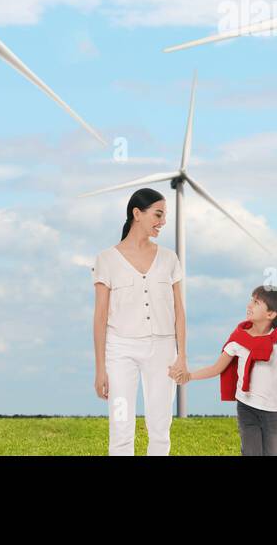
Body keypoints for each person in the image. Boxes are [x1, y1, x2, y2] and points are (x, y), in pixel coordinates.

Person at [181, 285, 277, 455]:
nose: (249, 306)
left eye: (256, 302)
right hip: (246, 407)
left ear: (271, 314)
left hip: (272, 411)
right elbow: (216, 368)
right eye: (251, 300)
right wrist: (189, 375)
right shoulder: (238, 339)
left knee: (270, 452)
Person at [92, 187, 188, 455]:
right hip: (120, 350)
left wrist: (181, 356)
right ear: (137, 213)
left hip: (163, 349)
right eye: (158, 214)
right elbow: (100, 317)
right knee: (121, 427)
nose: (163, 221)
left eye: (165, 215)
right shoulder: (106, 259)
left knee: (160, 427)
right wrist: (100, 368)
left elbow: (179, 311)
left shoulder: (169, 258)